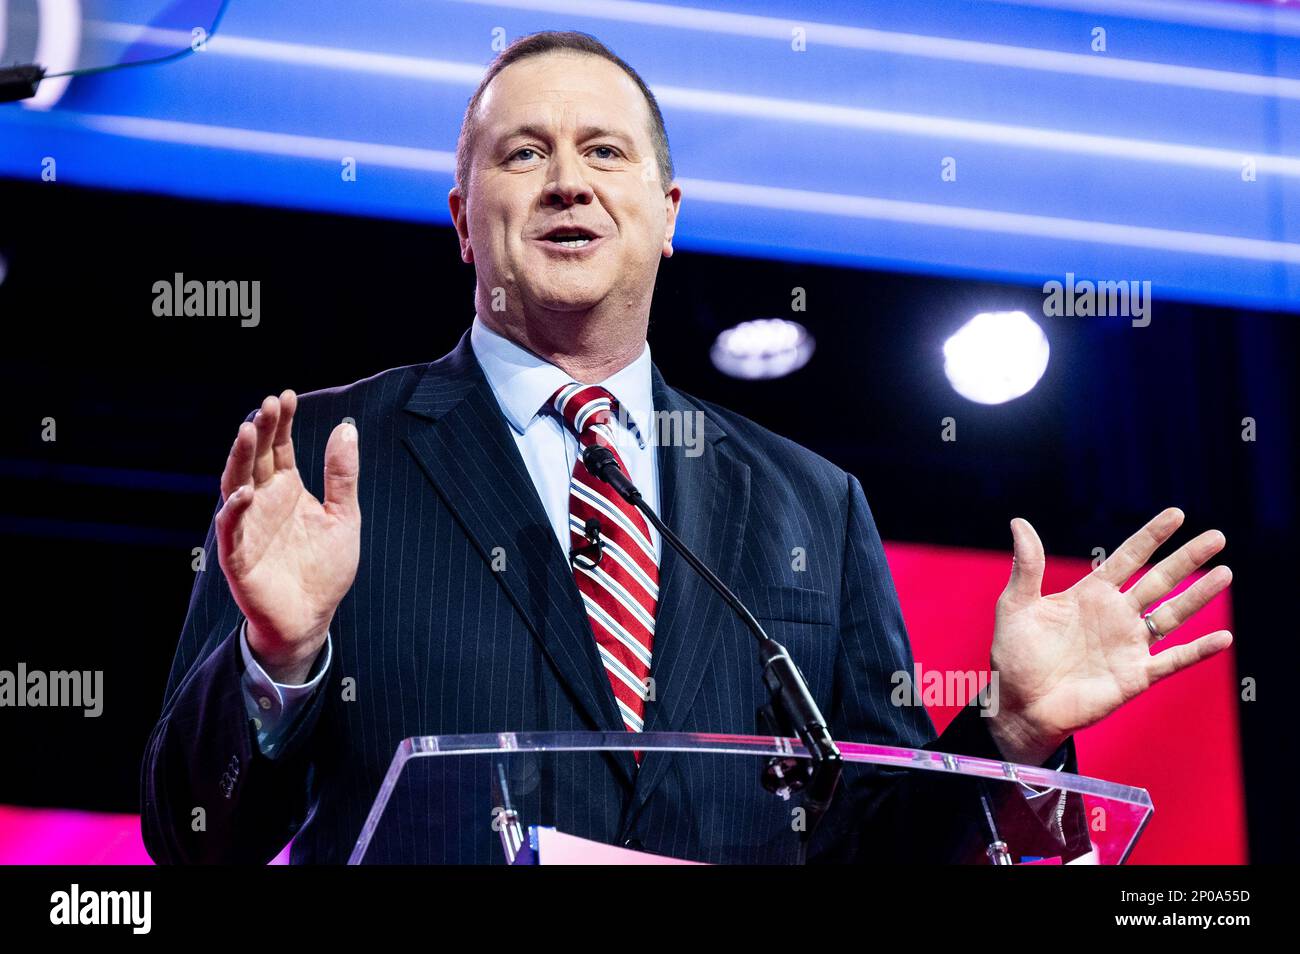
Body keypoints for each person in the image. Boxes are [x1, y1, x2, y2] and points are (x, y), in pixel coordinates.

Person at [141, 31, 1233, 864]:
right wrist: (274, 667)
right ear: (463, 221)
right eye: (523, 153)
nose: (568, 180)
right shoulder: (331, 457)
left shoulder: (813, 501)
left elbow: (881, 848)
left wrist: (1012, 733)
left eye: (602, 151)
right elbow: (193, 838)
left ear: (665, 212)